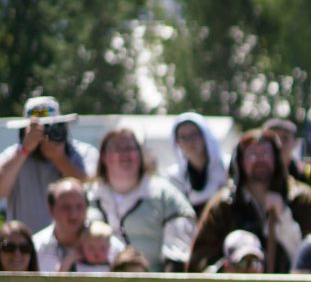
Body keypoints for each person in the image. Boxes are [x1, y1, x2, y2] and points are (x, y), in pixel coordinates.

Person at [189, 130, 305, 273]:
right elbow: (200, 262)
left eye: (265, 153)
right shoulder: (223, 205)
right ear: (240, 160)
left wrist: (284, 217)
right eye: (252, 154)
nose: (259, 160)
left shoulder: (301, 200)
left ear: (276, 158)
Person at [88, 125, 197, 271]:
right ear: (103, 157)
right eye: (118, 149)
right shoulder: (87, 197)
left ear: (140, 155)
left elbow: (178, 256)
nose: (125, 154)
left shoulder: (167, 197)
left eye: (130, 148)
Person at [0, 96, 94, 234]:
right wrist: (25, 150)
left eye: (51, 127)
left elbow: (89, 187)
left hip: (74, 246)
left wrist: (59, 158)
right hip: (25, 249)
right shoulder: (14, 155)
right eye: (38, 129)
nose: (45, 134)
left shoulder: (82, 152)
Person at [167, 113, 227, 211]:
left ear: (205, 135)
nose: (190, 142)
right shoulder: (175, 177)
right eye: (183, 137)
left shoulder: (226, 167)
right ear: (177, 142)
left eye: (194, 135)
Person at [31, 177, 90, 271]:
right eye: (66, 207)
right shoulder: (34, 249)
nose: (73, 214)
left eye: (79, 206)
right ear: (51, 209)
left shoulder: (110, 248)